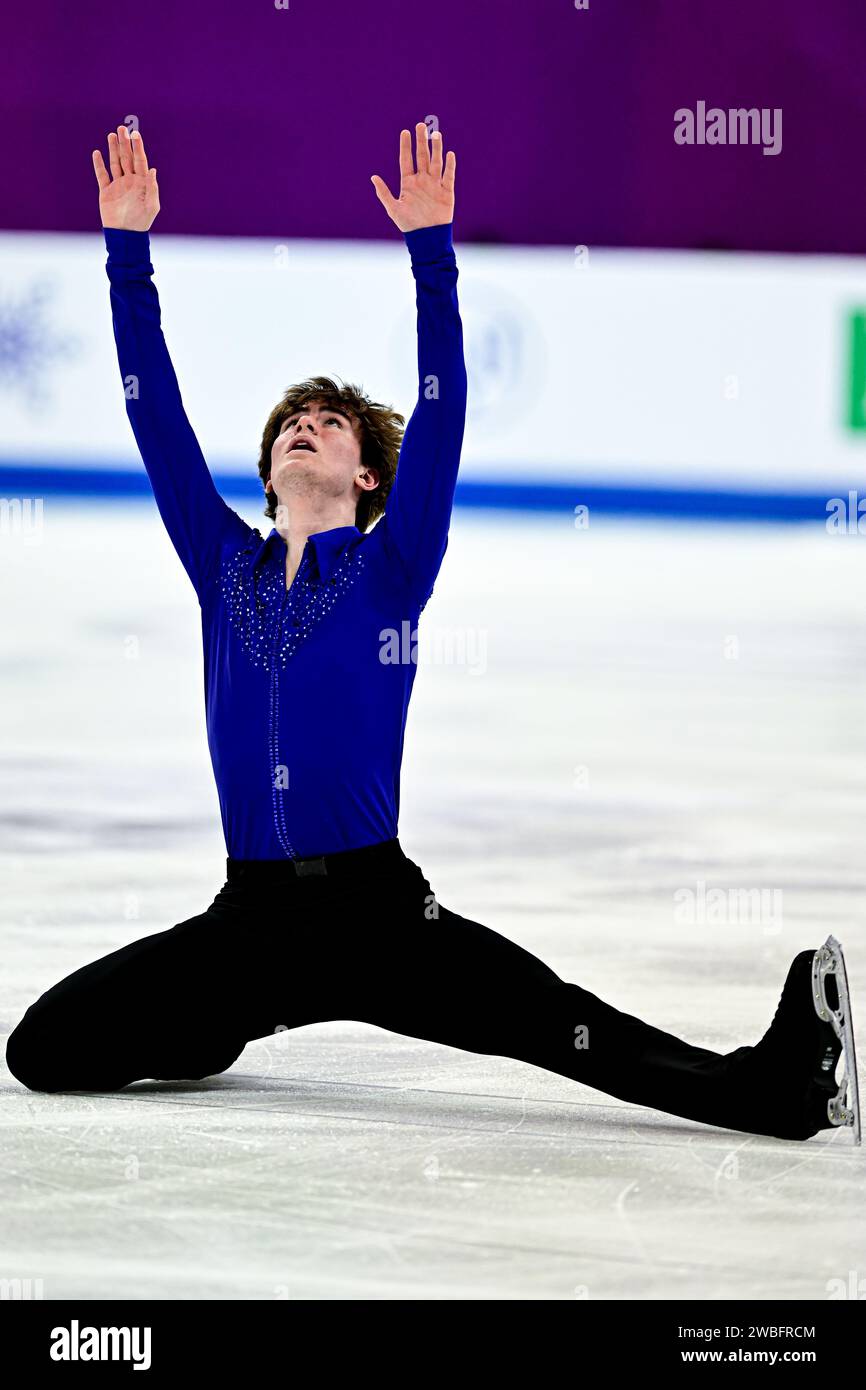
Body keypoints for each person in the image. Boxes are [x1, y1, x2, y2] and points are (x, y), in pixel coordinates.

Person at [5, 123, 859, 1146]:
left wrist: (431, 251)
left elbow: (440, 411)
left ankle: (781, 1083)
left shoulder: (389, 567)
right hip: (251, 922)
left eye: (329, 421)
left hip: (378, 918)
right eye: (291, 420)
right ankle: (215, 1027)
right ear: (268, 466)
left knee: (562, 1026)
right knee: (44, 1052)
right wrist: (126, 251)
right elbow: (158, 421)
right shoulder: (220, 563)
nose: (304, 423)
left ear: (368, 476)